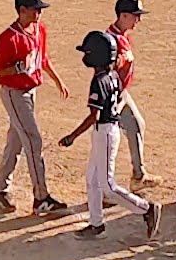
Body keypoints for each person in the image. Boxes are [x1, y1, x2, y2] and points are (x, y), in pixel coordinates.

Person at [61, 31, 164, 240]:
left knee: (107, 185)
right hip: (107, 131)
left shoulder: (98, 82)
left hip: (106, 132)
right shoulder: (113, 75)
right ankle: (96, 224)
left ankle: (146, 209)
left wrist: (72, 136)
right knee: (92, 179)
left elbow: (94, 116)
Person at [0, 0, 70, 216]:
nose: (39, 14)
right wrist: (17, 67)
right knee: (33, 140)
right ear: (22, 10)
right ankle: (40, 197)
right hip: (15, 93)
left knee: (16, 141)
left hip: (30, 91)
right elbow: (0, 72)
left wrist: (57, 80)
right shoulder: (9, 38)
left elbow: (42, 58)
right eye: (35, 10)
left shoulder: (38, 29)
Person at [106, 0, 161, 190]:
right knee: (109, 141)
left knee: (137, 125)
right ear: (123, 15)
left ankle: (138, 175)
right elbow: (108, 71)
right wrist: (115, 99)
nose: (139, 20)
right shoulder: (111, 41)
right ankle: (106, 186)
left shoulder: (122, 36)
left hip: (122, 94)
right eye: (135, 16)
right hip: (112, 97)